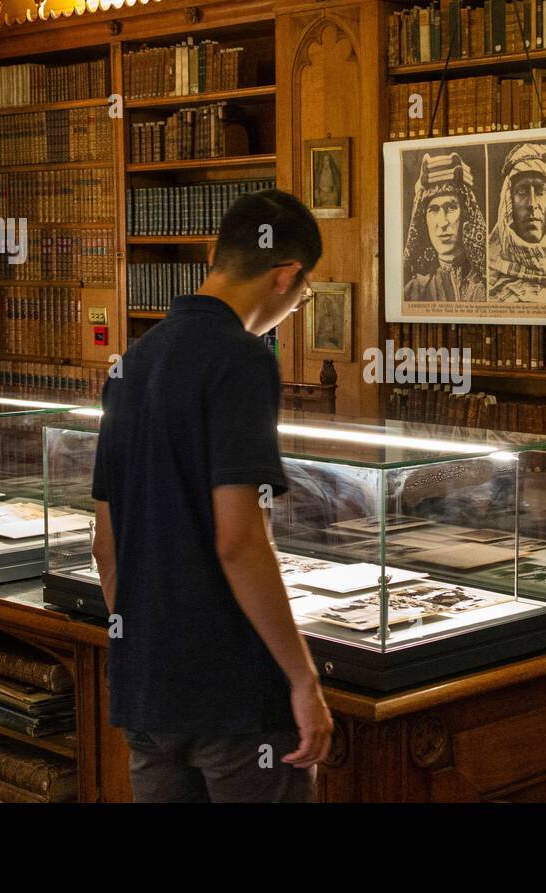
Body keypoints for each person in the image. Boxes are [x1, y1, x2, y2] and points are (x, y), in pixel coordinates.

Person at [91, 189, 333, 803]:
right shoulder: (243, 360)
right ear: (287, 276)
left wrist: (146, 642)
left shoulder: (132, 362)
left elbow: (105, 545)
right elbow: (239, 541)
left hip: (147, 689)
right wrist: (302, 677)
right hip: (231, 696)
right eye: (302, 295)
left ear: (212, 256)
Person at [487, 142, 546, 304]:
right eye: (522, 191)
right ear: (508, 202)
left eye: (541, 191)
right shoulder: (486, 274)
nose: (532, 204)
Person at [402, 152, 487, 302]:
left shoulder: (489, 285)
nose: (442, 223)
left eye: (450, 208)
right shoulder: (414, 291)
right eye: (433, 210)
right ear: (424, 220)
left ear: (467, 214)